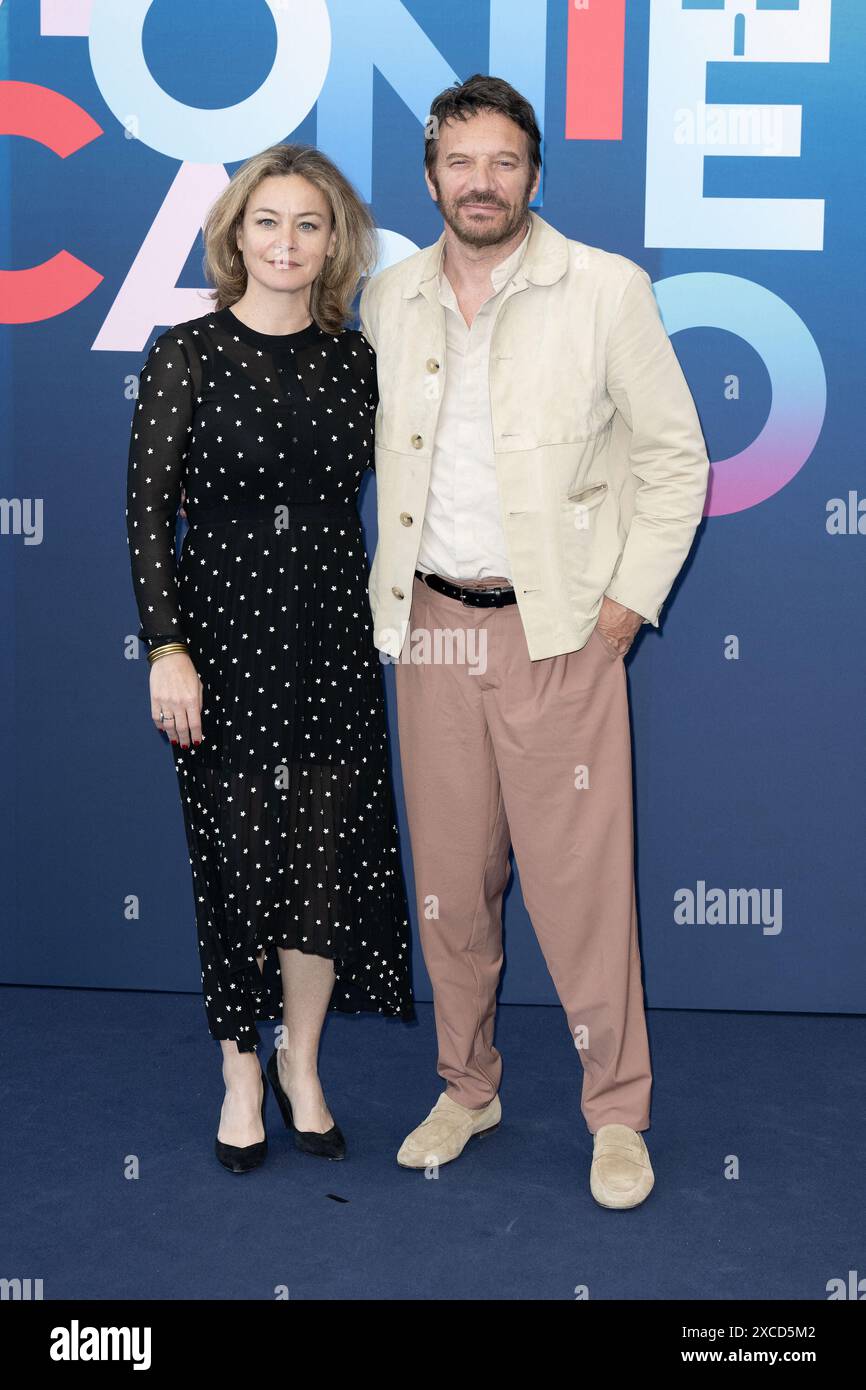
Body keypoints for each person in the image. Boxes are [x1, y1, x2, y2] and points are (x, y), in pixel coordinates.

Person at [359, 75, 709, 1208]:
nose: (480, 181)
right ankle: (467, 1086)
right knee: (452, 889)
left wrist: (621, 605)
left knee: (579, 889)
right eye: (459, 161)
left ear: (533, 175)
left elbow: (673, 460)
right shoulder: (390, 296)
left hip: (555, 632)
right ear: (429, 177)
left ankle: (615, 1114)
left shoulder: (603, 290)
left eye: (502, 161)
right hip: (430, 633)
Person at [126, 143, 415, 1174]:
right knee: (237, 858)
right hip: (224, 640)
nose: (286, 242)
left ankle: (303, 1063)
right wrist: (167, 647)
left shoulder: (358, 357)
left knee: (322, 864)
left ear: (334, 241)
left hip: (331, 634)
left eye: (309, 223)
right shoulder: (185, 352)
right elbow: (148, 514)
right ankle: (239, 1068)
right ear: (235, 234)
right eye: (267, 221)